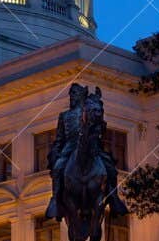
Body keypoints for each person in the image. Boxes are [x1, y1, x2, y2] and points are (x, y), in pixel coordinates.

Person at [44, 83, 127, 221]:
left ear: (81, 95)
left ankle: (114, 198)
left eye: (74, 94)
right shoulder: (64, 116)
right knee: (58, 167)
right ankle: (55, 201)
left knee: (110, 167)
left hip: (92, 146)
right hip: (69, 147)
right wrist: (55, 153)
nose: (72, 97)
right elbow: (60, 138)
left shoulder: (89, 111)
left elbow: (100, 130)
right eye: (71, 94)